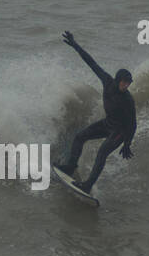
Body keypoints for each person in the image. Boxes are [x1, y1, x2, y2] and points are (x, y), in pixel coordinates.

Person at [55, 30, 136, 194]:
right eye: (124, 82)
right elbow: (91, 62)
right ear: (118, 79)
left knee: (102, 153)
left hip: (120, 131)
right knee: (80, 137)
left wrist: (127, 144)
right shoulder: (107, 81)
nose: (126, 85)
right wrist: (75, 45)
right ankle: (71, 166)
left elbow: (133, 124)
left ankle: (88, 185)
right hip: (108, 124)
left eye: (128, 83)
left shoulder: (127, 100)